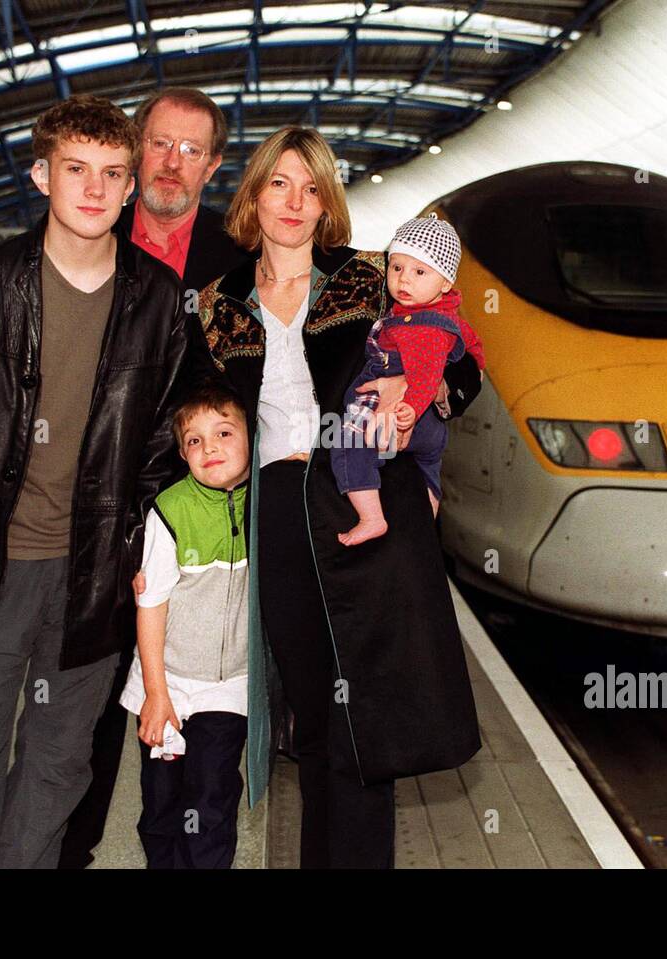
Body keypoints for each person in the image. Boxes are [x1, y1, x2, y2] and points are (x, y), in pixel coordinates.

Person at [0, 94, 210, 869]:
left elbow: (164, 441)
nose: (96, 190)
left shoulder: (161, 302)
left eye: (113, 173)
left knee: (59, 765)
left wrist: (142, 545)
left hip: (96, 573)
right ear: (41, 176)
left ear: (134, 187)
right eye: (76, 170)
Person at [197, 126, 484, 868]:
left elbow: (462, 362)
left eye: (313, 187)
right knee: (312, 719)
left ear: (328, 204)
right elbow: (196, 414)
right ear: (254, 193)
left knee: (365, 724)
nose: (296, 202)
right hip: (276, 511)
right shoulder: (217, 300)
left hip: (360, 502)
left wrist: (419, 395)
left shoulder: (373, 278)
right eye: (280, 184)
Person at [60, 86, 251, 870]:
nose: (171, 163)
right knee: (85, 709)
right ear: (138, 147)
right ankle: (70, 848)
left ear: (212, 164)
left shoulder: (234, 263)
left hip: (192, 517)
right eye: (160, 144)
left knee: (187, 731)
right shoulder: (88, 236)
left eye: (191, 149)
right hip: (89, 514)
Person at [126, 379, 250, 869]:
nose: (210, 447)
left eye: (224, 433)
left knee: (213, 798)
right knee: (162, 804)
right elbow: (151, 604)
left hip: (229, 689)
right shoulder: (170, 511)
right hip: (167, 685)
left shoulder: (267, 504)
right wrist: (156, 694)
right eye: (195, 440)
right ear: (182, 453)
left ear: (251, 438)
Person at [332, 215, 487, 545]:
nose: (404, 280)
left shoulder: (420, 326)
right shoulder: (441, 313)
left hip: (405, 414)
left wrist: (410, 408)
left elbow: (426, 373)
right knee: (429, 463)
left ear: (446, 282)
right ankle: (427, 515)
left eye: (420, 272)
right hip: (430, 430)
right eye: (397, 267)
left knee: (348, 442)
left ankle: (371, 517)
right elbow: (473, 347)